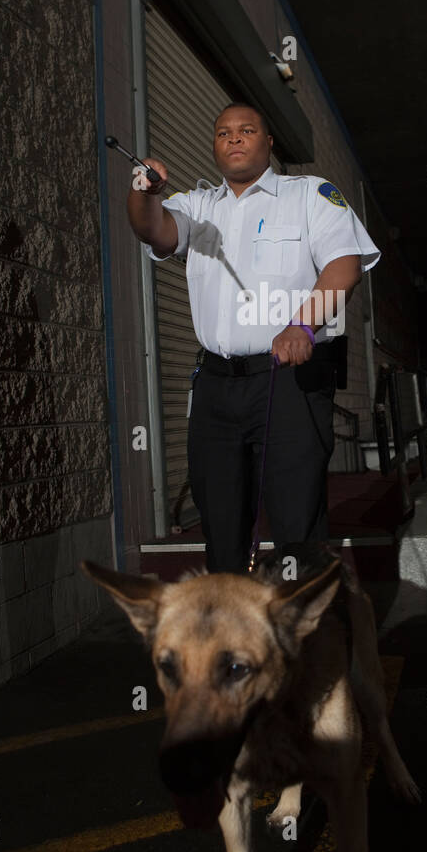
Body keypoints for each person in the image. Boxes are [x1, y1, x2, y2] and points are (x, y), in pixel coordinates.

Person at [125, 102, 380, 574]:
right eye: (224, 133)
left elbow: (344, 265)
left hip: (289, 381)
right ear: (215, 146)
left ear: (268, 143)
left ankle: (304, 638)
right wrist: (144, 191)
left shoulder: (310, 195)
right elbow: (153, 229)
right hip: (216, 387)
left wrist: (304, 324)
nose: (235, 138)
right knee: (220, 525)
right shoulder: (196, 206)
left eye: (246, 130)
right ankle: (234, 643)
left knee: (296, 524)